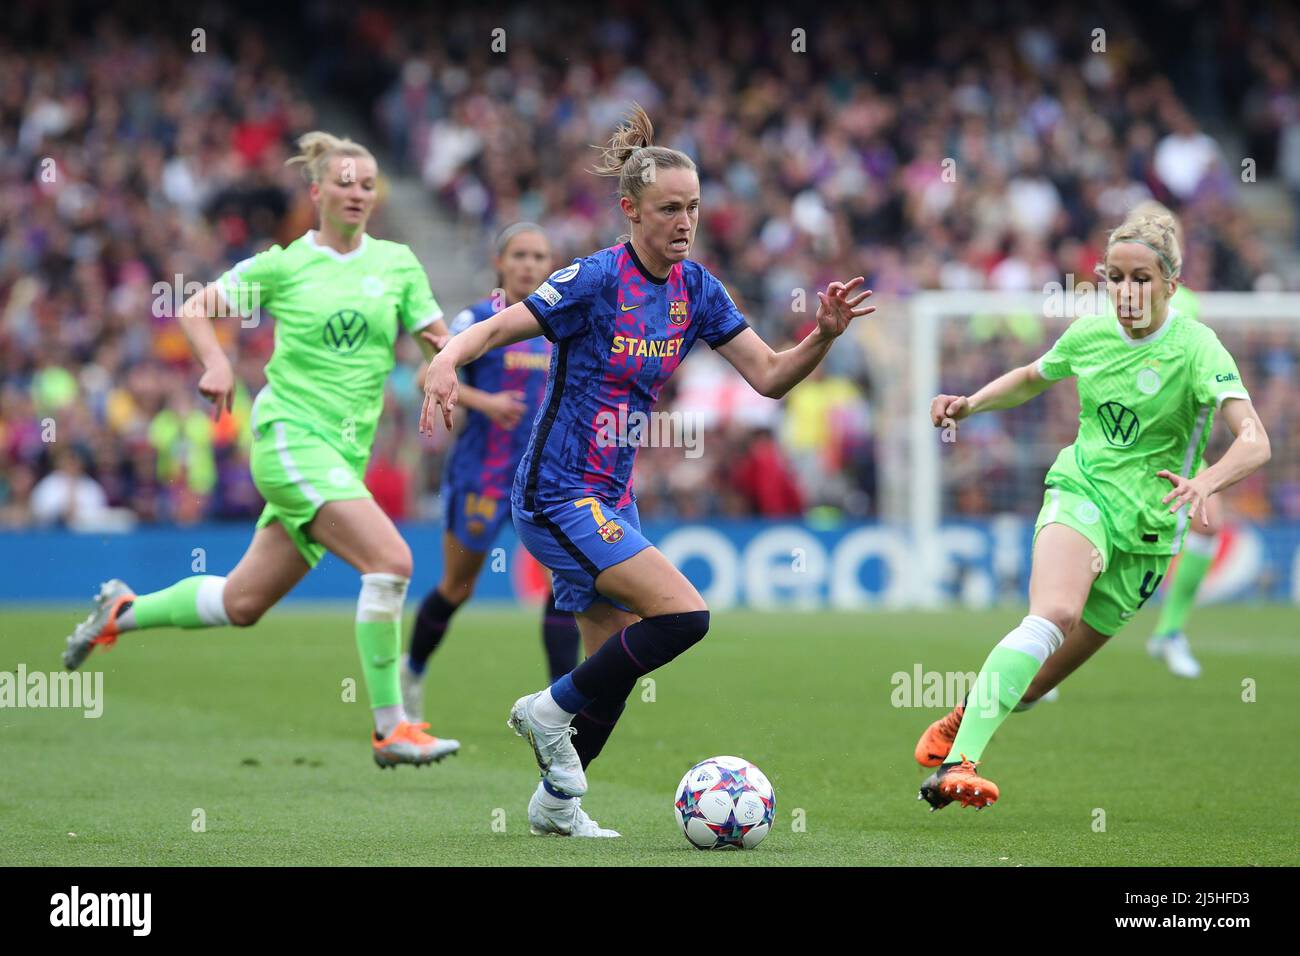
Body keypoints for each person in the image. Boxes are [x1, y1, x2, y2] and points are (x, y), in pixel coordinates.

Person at [420, 105, 873, 837]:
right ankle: (546, 709)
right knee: (686, 615)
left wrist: (819, 337)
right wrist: (446, 359)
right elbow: (505, 323)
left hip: (610, 496)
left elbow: (770, 377)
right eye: (669, 208)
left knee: (618, 669)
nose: (685, 221)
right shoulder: (596, 279)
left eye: (693, 207)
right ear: (631, 210)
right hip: (555, 492)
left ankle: (556, 808)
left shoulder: (698, 291)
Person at [62, 132, 460, 769]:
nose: (358, 192)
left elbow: (437, 340)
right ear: (316, 192)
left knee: (240, 604)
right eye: (345, 182)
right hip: (291, 442)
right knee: (390, 561)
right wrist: (218, 363)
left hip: (342, 460)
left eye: (367, 183)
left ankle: (122, 611)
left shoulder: (398, 265)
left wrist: (448, 364)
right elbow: (195, 308)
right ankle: (393, 729)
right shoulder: (282, 265)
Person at [913, 205, 1270, 810]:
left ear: (1170, 286)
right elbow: (1033, 375)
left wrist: (1210, 481)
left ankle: (966, 713)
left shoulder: (1196, 348)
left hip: (1149, 535)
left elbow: (1255, 440)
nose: (1126, 292)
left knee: (1035, 684)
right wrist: (969, 404)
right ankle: (959, 764)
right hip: (1081, 493)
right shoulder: (1089, 334)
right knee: (1052, 613)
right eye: (1115, 277)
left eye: (1141, 279)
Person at [401, 223, 581, 726]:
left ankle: (558, 711)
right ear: (500, 263)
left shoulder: (562, 322)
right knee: (458, 588)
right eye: (519, 255)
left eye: (539, 256)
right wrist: (485, 400)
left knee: (564, 584)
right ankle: (411, 673)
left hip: (547, 482)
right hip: (482, 475)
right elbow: (425, 374)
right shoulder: (480, 318)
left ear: (551, 265)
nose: (529, 264)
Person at [1133, 202, 1218, 678]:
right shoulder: (1123, 293)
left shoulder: (1190, 304)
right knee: (1098, 547)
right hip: (1130, 441)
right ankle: (1044, 648)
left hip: (1181, 440)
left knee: (1208, 521)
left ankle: (1168, 632)